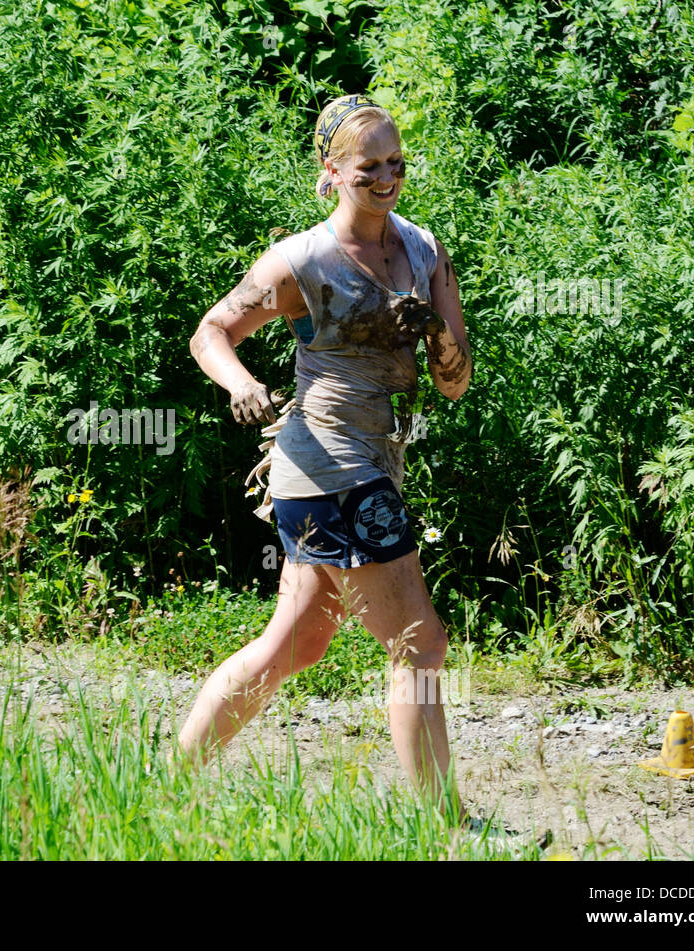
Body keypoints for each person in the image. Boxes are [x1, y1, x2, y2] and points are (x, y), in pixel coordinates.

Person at [176, 94, 474, 821]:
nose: (387, 177)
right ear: (331, 171)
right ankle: (449, 830)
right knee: (421, 643)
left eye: (396, 163)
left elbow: (455, 382)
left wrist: (434, 332)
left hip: (376, 460)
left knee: (298, 642)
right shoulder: (301, 260)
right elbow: (211, 331)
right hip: (326, 463)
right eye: (369, 165)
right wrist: (242, 384)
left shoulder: (425, 250)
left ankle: (166, 784)